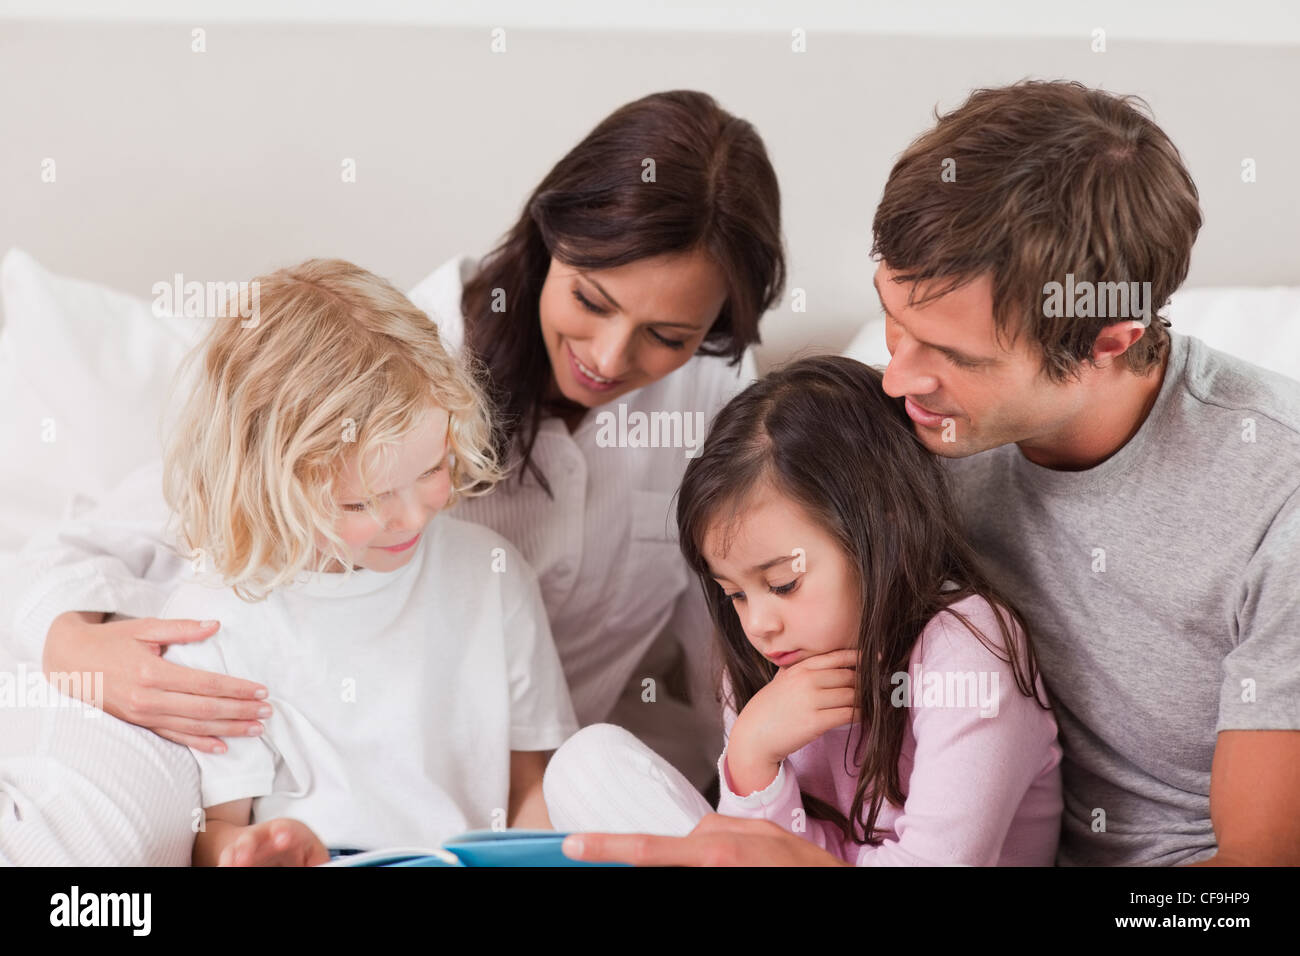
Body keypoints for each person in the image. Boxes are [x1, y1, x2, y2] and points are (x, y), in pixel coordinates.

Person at [6, 90, 785, 866]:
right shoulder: (402, 375)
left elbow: (728, 631)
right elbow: (178, 512)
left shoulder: (713, 404)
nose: (612, 359)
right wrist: (72, 642)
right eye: (591, 300)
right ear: (550, 242)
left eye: (667, 336)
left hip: (509, 794)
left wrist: (766, 770)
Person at [561, 79, 1300, 867]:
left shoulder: (1274, 504)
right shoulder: (891, 443)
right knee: (596, 775)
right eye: (896, 321)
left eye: (953, 356)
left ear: (1108, 343)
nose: (897, 378)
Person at [543, 356, 1062, 864]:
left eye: (783, 583)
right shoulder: (762, 674)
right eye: (735, 594)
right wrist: (751, 760)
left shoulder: (964, 648)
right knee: (584, 764)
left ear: (882, 531)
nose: (758, 624)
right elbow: (759, 855)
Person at [156, 259, 578, 864]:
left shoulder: (491, 572)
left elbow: (528, 786)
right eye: (361, 501)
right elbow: (216, 829)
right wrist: (246, 856)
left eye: (432, 469)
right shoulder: (215, 619)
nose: (410, 518)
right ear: (266, 484)